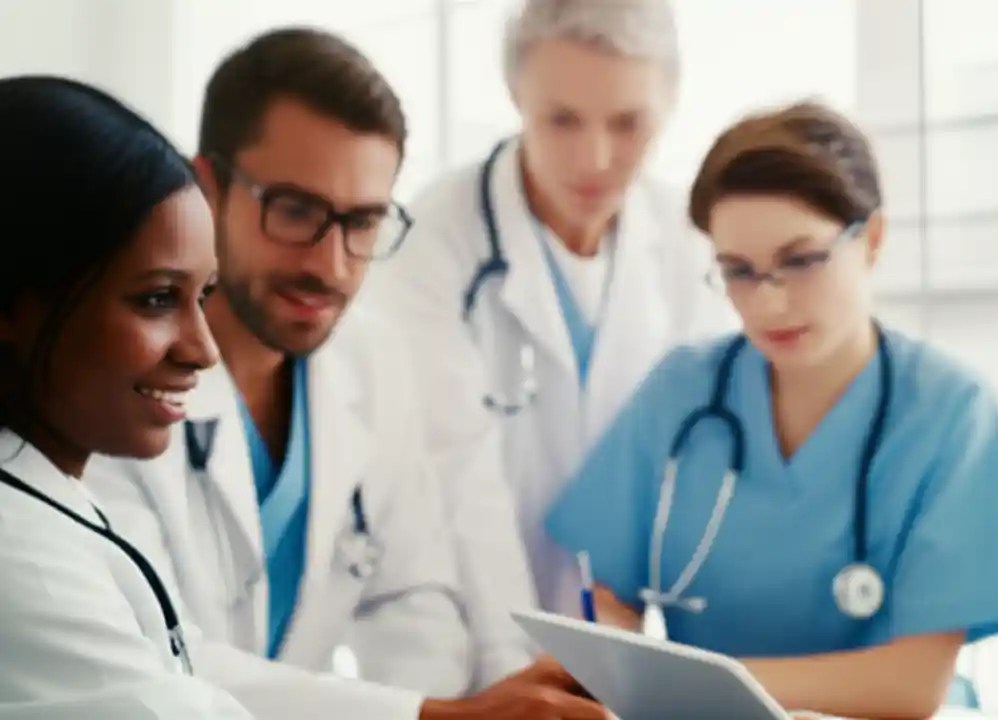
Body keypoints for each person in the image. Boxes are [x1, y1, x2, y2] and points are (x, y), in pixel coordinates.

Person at [85, 28, 605, 720]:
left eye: (363, 221)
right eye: (296, 210)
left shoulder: (374, 360)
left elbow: (415, 601)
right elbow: (157, 657)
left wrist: (444, 701)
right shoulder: (109, 379)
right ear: (204, 187)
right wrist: (435, 719)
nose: (331, 265)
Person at [544, 101, 998, 719]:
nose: (768, 303)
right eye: (739, 272)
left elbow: (911, 685)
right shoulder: (681, 392)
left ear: (872, 239)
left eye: (800, 261)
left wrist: (699, 684)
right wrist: (619, 659)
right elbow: (603, 596)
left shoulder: (948, 408)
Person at [364, 0, 735, 616]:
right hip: (461, 634)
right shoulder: (436, 239)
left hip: (626, 632)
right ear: (516, 95)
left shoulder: (688, 243)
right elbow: (453, 477)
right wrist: (520, 664)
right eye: (562, 120)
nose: (594, 158)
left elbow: (693, 476)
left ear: (670, 106)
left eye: (627, 123)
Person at [0, 76, 252, 718]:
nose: (203, 349)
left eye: (204, 296)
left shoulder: (51, 497)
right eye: (157, 298)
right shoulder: (18, 551)